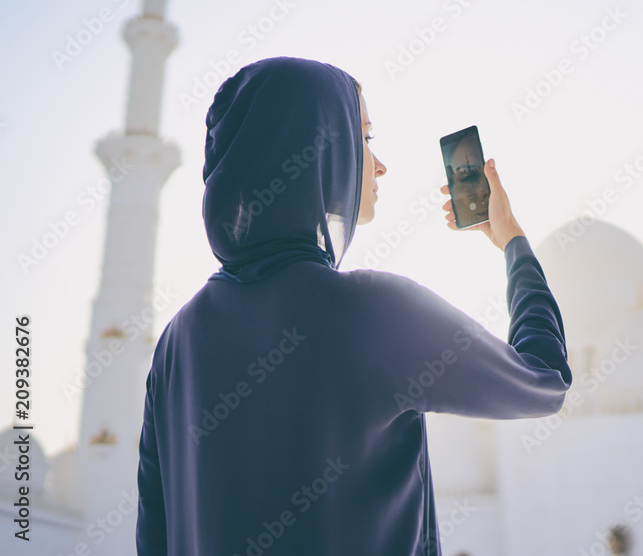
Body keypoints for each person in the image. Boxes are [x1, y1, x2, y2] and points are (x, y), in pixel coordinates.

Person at [135, 56, 572, 555]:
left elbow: (154, 538)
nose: (380, 163)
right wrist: (513, 243)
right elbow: (544, 382)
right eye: (363, 138)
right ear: (315, 150)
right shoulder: (374, 311)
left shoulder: (176, 342)